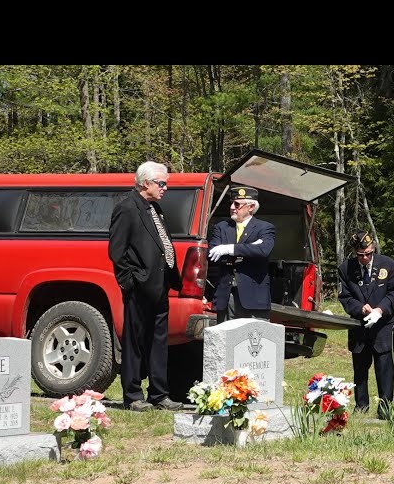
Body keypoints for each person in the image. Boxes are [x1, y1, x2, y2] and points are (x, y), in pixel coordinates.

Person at [107, 161, 188, 412]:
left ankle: (159, 394)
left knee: (158, 341)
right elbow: (117, 251)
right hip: (139, 287)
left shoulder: (155, 208)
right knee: (135, 342)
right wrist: (129, 282)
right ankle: (132, 396)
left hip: (160, 285)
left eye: (166, 183)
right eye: (161, 183)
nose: (165, 188)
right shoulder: (127, 208)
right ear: (145, 183)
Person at [338, 230, 394, 419]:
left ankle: (385, 409)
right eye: (360, 255)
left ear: (373, 248)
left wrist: (380, 310)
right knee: (360, 369)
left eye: (368, 253)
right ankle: (361, 406)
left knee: (384, 369)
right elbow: (345, 297)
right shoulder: (346, 269)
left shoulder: (389, 265)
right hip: (360, 326)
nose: (365, 258)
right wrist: (361, 309)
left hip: (382, 326)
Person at [207, 186, 276, 323]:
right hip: (227, 295)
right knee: (226, 338)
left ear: (250, 207)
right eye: (231, 203)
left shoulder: (264, 227)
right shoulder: (222, 227)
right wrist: (250, 248)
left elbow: (263, 250)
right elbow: (213, 254)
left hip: (254, 296)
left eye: (237, 204)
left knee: (254, 339)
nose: (232, 207)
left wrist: (230, 249)